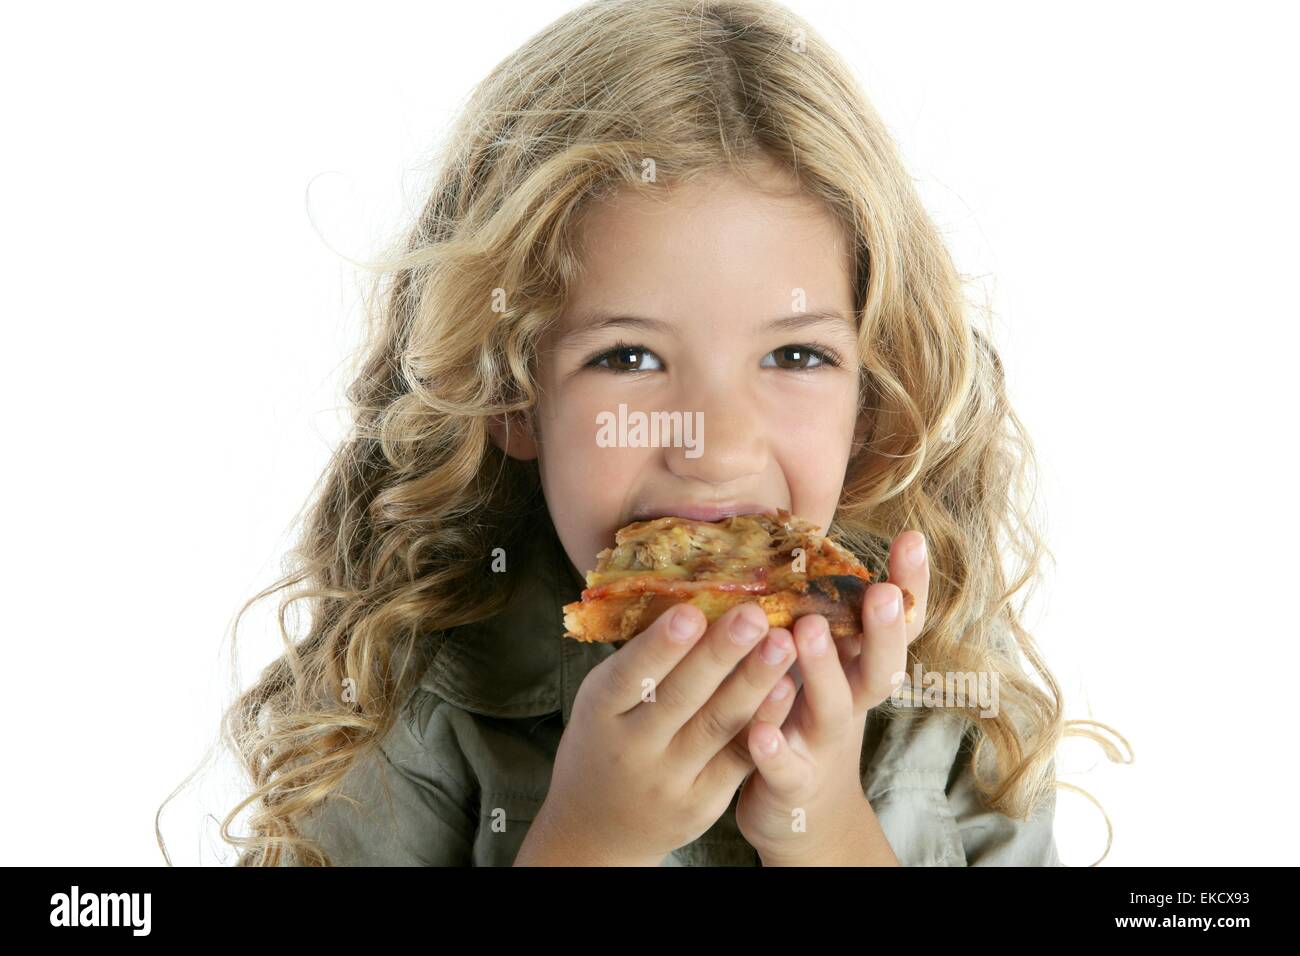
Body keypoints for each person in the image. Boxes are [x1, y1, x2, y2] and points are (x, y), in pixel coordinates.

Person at [169, 0, 1129, 867]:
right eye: (627, 358)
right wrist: (591, 838)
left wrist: (823, 817)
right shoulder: (414, 686)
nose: (713, 444)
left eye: (794, 357)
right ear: (510, 395)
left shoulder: (954, 679)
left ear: (872, 399)